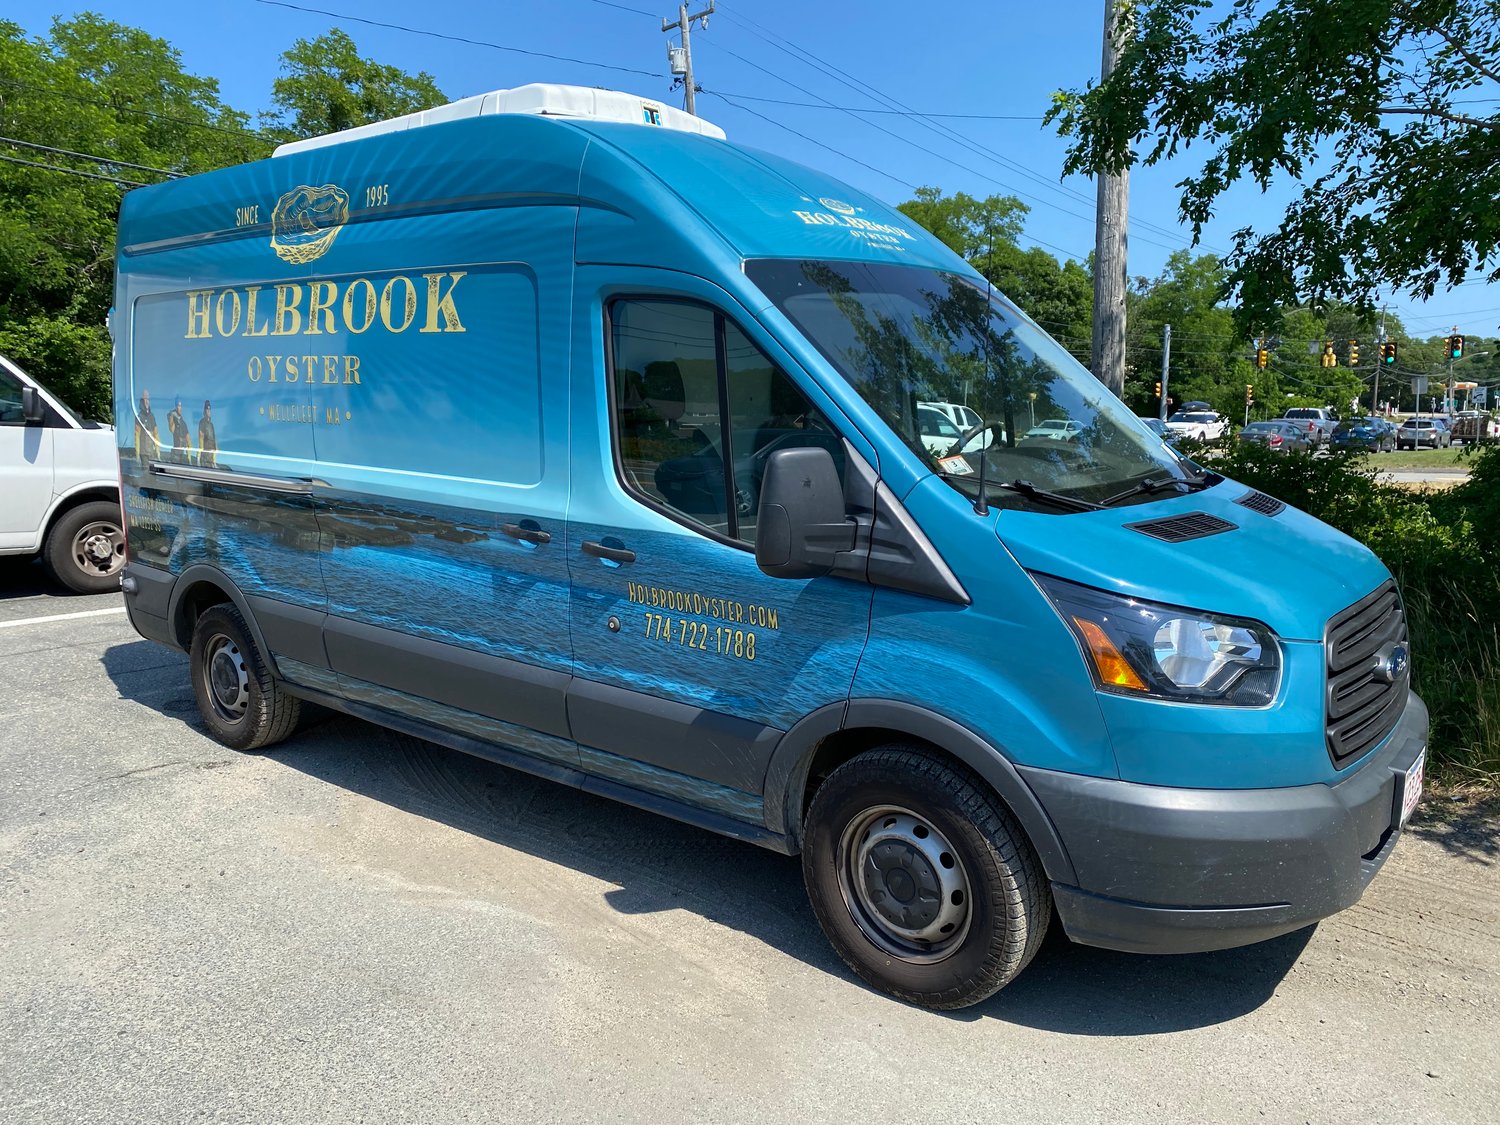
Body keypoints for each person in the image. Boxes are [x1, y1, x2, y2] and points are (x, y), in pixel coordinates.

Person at [133, 390, 159, 461]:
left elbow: (156, 434)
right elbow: (137, 436)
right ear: (142, 400)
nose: (147, 401)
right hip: (143, 453)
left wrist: (158, 452)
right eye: (145, 399)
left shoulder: (152, 416)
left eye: (148, 399)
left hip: (152, 452)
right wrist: (137, 454)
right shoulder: (139, 417)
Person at [167, 398, 190, 463]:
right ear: (175, 407)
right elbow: (171, 429)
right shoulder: (173, 419)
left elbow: (189, 441)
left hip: (183, 456)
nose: (180, 408)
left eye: (180, 406)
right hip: (175, 456)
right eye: (178, 406)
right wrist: (171, 416)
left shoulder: (184, 424)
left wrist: (189, 457)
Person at [197, 400, 217, 467]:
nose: (208, 411)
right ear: (204, 411)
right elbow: (201, 438)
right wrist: (198, 456)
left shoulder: (211, 425)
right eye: (207, 409)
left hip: (211, 454)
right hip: (205, 454)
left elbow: (214, 439)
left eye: (209, 409)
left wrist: (215, 450)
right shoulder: (202, 422)